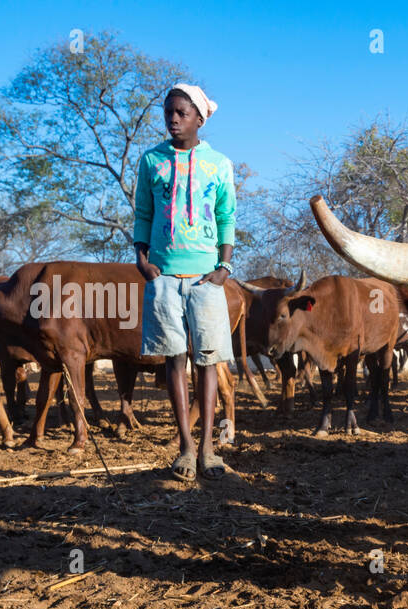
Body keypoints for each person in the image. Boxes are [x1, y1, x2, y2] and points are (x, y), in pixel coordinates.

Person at [132, 82, 236, 481]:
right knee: (174, 359)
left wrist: (224, 267)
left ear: (199, 119)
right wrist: (142, 258)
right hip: (162, 274)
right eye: (168, 113)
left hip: (205, 277)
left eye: (181, 113)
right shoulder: (151, 161)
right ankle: (186, 448)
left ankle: (209, 449)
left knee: (207, 361)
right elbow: (143, 212)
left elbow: (227, 216)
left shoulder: (218, 164)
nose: (173, 119)